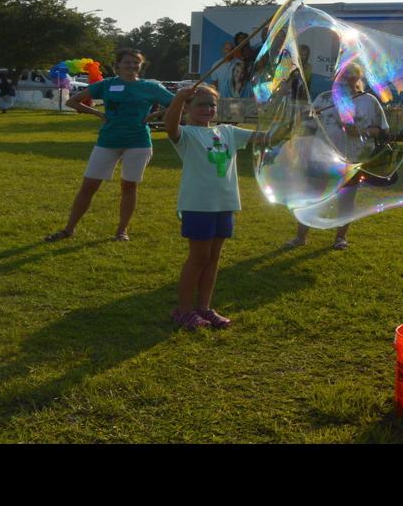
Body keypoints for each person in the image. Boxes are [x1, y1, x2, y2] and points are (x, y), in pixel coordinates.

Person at [43, 48, 176, 243]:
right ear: (117, 66)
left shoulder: (151, 87)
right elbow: (73, 101)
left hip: (138, 142)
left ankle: (122, 231)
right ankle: (68, 229)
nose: (131, 66)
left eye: (135, 63)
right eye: (127, 62)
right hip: (108, 140)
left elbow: (178, 103)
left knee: (129, 187)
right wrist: (98, 114)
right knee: (88, 186)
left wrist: (153, 116)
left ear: (140, 66)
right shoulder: (107, 84)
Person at [160, 83, 260, 329]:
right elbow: (169, 126)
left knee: (214, 258)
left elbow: (265, 137)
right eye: (201, 104)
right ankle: (183, 310)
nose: (207, 109)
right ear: (188, 108)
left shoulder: (228, 132)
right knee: (199, 257)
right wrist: (177, 100)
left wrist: (292, 123)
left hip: (224, 204)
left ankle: (204, 307)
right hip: (198, 204)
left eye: (212, 105)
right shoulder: (187, 135)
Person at [282, 60, 388, 251]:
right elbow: (309, 128)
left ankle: (340, 238)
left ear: (358, 78)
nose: (346, 79)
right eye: (342, 75)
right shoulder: (324, 99)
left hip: (352, 159)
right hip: (320, 157)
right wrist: (303, 121)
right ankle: (300, 237)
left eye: (351, 75)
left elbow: (383, 132)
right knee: (311, 196)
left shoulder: (368, 101)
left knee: (346, 199)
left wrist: (361, 131)